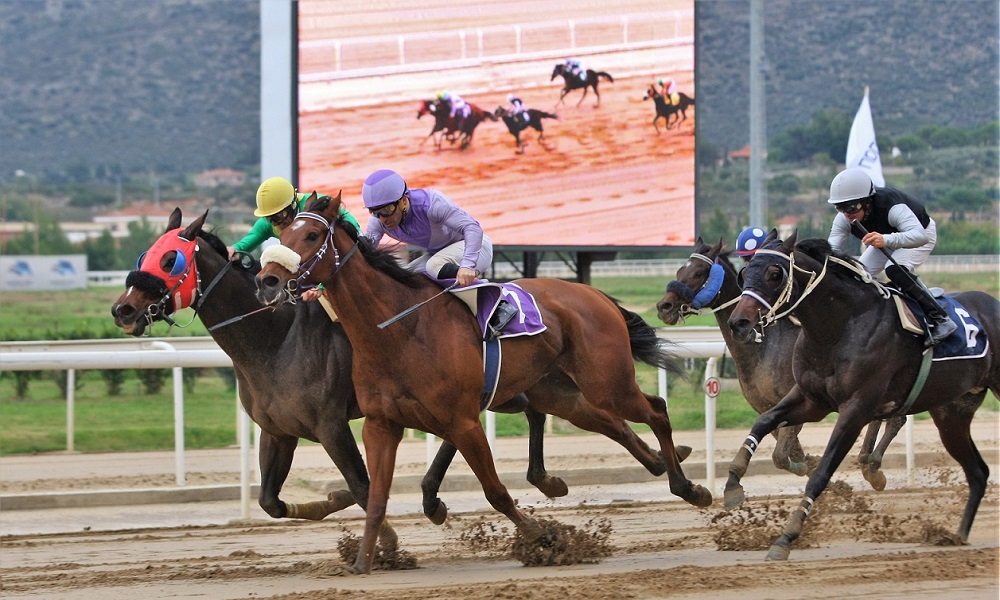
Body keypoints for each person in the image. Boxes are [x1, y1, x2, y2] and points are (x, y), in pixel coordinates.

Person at [826, 167, 957, 344]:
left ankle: (941, 318)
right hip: (885, 239)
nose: (847, 214)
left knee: (894, 270)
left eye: (851, 207)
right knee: (857, 275)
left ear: (867, 202)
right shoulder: (845, 218)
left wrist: (885, 239)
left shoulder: (892, 207)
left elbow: (920, 236)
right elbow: (832, 251)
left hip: (920, 235)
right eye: (841, 208)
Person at [227, 176, 360, 302]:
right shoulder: (270, 222)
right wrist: (234, 250)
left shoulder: (315, 206)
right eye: (269, 218)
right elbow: (247, 241)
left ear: (293, 205)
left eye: (279, 216)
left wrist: (322, 286)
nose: (274, 223)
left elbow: (354, 233)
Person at [362, 168, 492, 288]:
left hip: (477, 249)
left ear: (404, 201)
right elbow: (364, 250)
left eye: (387, 210)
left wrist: (467, 265)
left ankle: (485, 290)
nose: (383, 219)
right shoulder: (377, 221)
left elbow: (472, 228)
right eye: (375, 212)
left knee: (434, 265)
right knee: (403, 279)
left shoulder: (432, 204)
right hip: (438, 255)